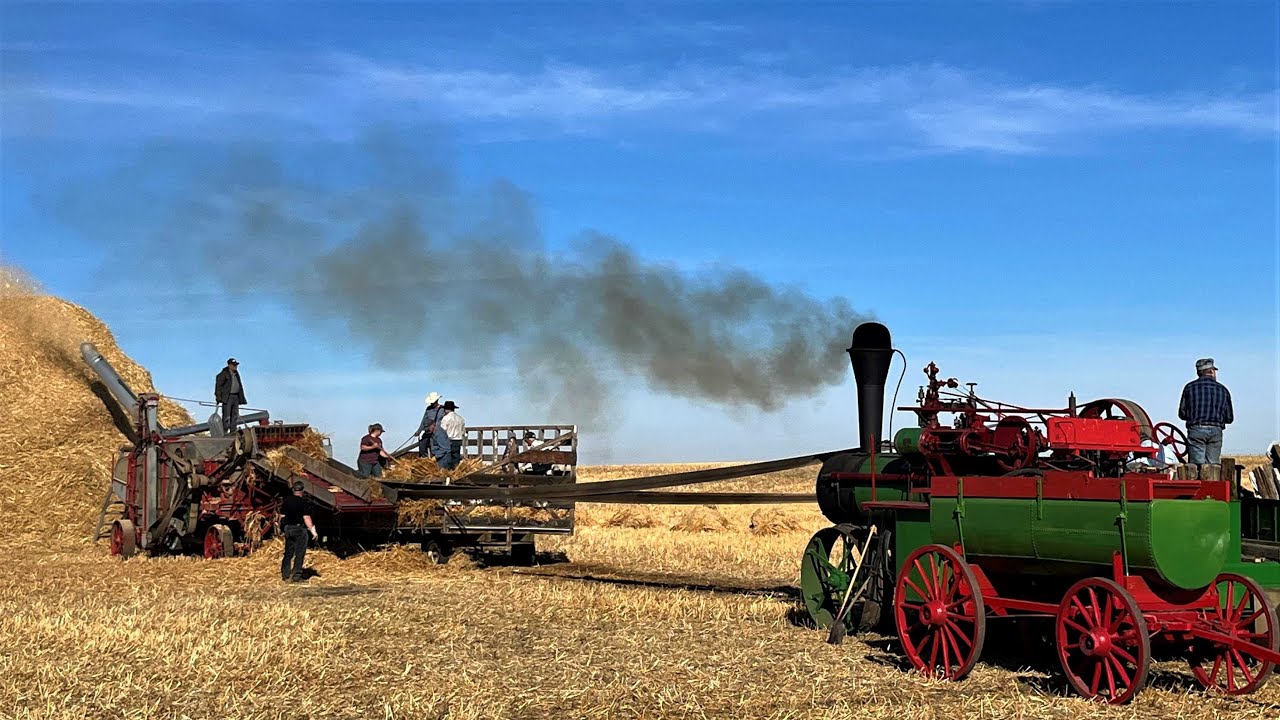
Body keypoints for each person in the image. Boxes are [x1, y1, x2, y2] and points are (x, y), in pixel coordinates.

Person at [1178, 357, 1234, 466]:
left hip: (1196, 430)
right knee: (1213, 466)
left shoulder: (1189, 388)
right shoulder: (1223, 390)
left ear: (1199, 372)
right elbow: (1229, 418)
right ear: (1212, 372)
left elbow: (1182, 414)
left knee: (1196, 467)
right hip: (1216, 431)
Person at [280, 480, 318, 582]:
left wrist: (283, 527)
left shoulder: (286, 501)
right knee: (299, 552)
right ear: (302, 491)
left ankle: (285, 574)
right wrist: (313, 531)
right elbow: (306, 518)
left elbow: (282, 516)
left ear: (293, 490)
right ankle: (296, 575)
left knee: (288, 552)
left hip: (288, 528)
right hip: (299, 529)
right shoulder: (303, 502)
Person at [214, 358, 246, 435]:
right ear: (229, 365)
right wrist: (218, 397)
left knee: (234, 416)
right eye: (234, 365)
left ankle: (233, 432)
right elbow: (218, 386)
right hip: (227, 397)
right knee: (226, 416)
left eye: (236, 365)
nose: (235, 366)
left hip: (236, 397)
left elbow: (239, 386)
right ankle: (224, 432)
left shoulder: (236, 373)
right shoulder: (224, 373)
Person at [414, 392, 446, 458]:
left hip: (436, 432)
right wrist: (419, 431)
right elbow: (423, 421)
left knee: (434, 447)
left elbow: (441, 421)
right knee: (422, 444)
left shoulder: (442, 409)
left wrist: (434, 427)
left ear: (436, 401)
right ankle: (424, 459)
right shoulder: (428, 409)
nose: (431, 403)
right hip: (427, 431)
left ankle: (434, 460)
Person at [439, 401, 466, 470]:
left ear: (446, 409)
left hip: (449, 440)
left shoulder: (445, 418)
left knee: (447, 458)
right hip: (458, 440)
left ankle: (447, 472)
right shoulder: (460, 419)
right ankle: (455, 471)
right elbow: (463, 431)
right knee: (456, 457)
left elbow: (442, 431)